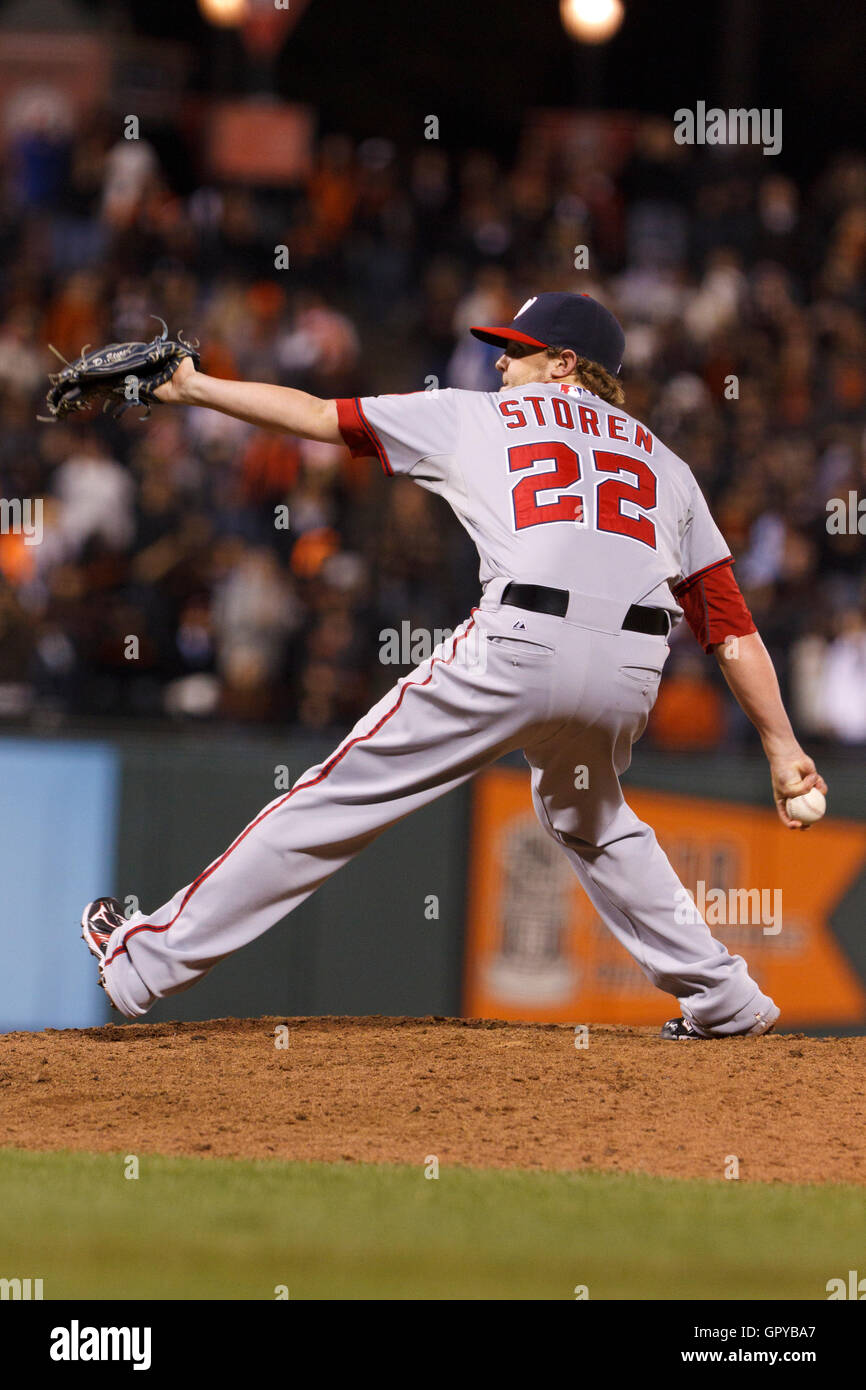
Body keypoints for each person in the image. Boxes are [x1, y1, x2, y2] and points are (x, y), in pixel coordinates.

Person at [81, 292, 827, 1038]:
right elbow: (729, 629)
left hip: (522, 641)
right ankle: (724, 997)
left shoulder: (477, 415)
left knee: (339, 792)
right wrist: (783, 748)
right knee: (590, 815)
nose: (500, 361)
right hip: (633, 667)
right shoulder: (668, 464)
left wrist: (191, 386)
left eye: (519, 349)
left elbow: (315, 416)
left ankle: (146, 957)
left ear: (565, 364)